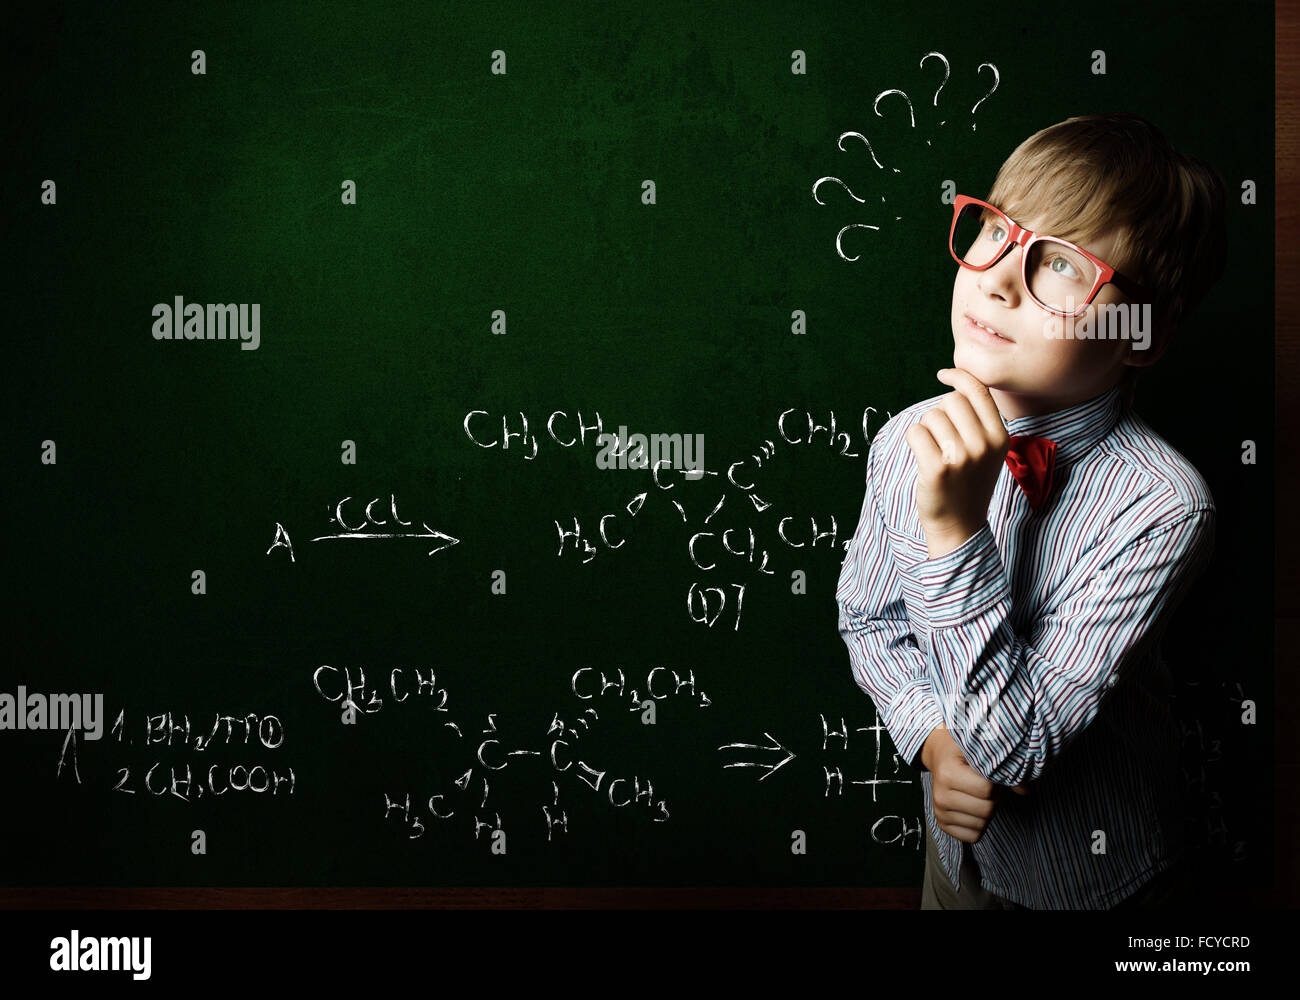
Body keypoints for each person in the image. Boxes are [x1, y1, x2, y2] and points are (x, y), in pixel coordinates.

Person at [835, 112, 1227, 909]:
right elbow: (869, 619)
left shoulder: (1165, 506)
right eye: (996, 230)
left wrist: (954, 533)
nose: (998, 279)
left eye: (1061, 264)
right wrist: (933, 740)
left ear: (1140, 334)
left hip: (1088, 875)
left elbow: (1015, 752)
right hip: (955, 852)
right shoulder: (906, 439)